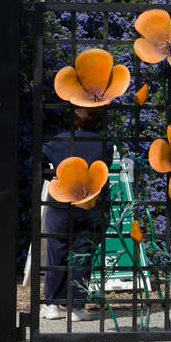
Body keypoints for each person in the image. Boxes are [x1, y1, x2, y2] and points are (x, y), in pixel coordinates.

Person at [40, 106, 112, 321]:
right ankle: (76, 307)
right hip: (90, 205)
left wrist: (53, 177)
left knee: (57, 252)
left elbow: (38, 161)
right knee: (82, 255)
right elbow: (104, 169)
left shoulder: (57, 141)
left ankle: (52, 304)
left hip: (62, 203)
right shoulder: (104, 143)